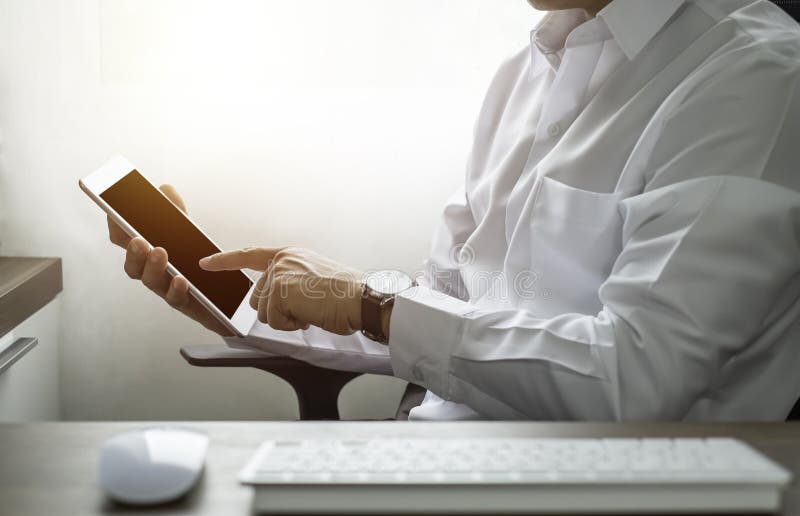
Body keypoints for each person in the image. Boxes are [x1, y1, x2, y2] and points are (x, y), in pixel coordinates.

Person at [109, 0, 800, 421]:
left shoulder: (754, 78)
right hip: (440, 459)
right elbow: (440, 307)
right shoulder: (524, 73)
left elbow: (635, 380)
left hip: (604, 504)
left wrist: (371, 301)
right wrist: (240, 304)